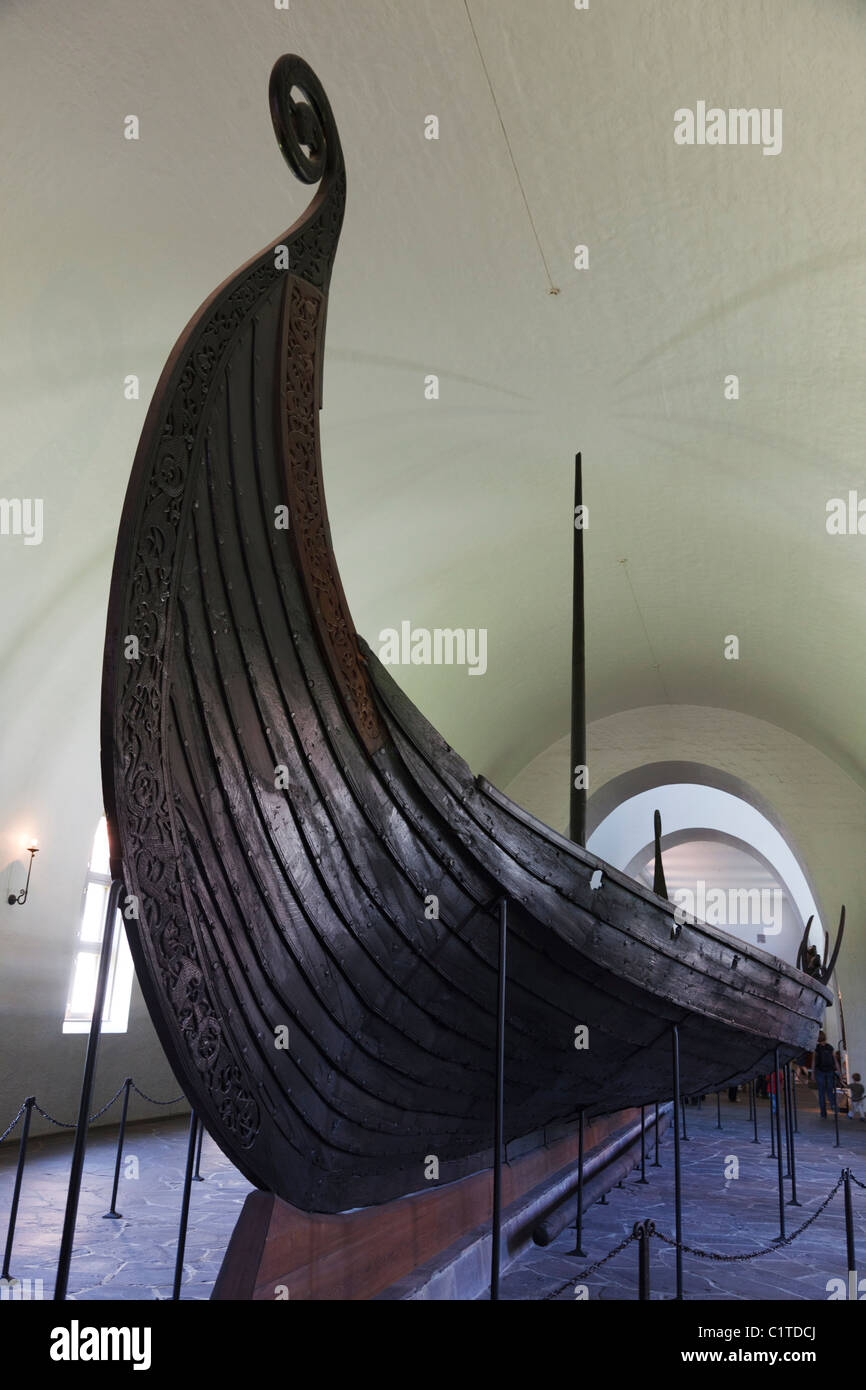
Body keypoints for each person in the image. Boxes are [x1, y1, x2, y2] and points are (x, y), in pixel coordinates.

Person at [813, 1031, 840, 1118]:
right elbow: (835, 1061)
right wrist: (839, 1072)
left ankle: (823, 1113)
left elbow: (813, 1061)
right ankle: (833, 1106)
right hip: (830, 1071)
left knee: (821, 1092)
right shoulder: (830, 1047)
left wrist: (812, 1073)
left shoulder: (816, 1048)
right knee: (830, 1090)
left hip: (820, 1071)